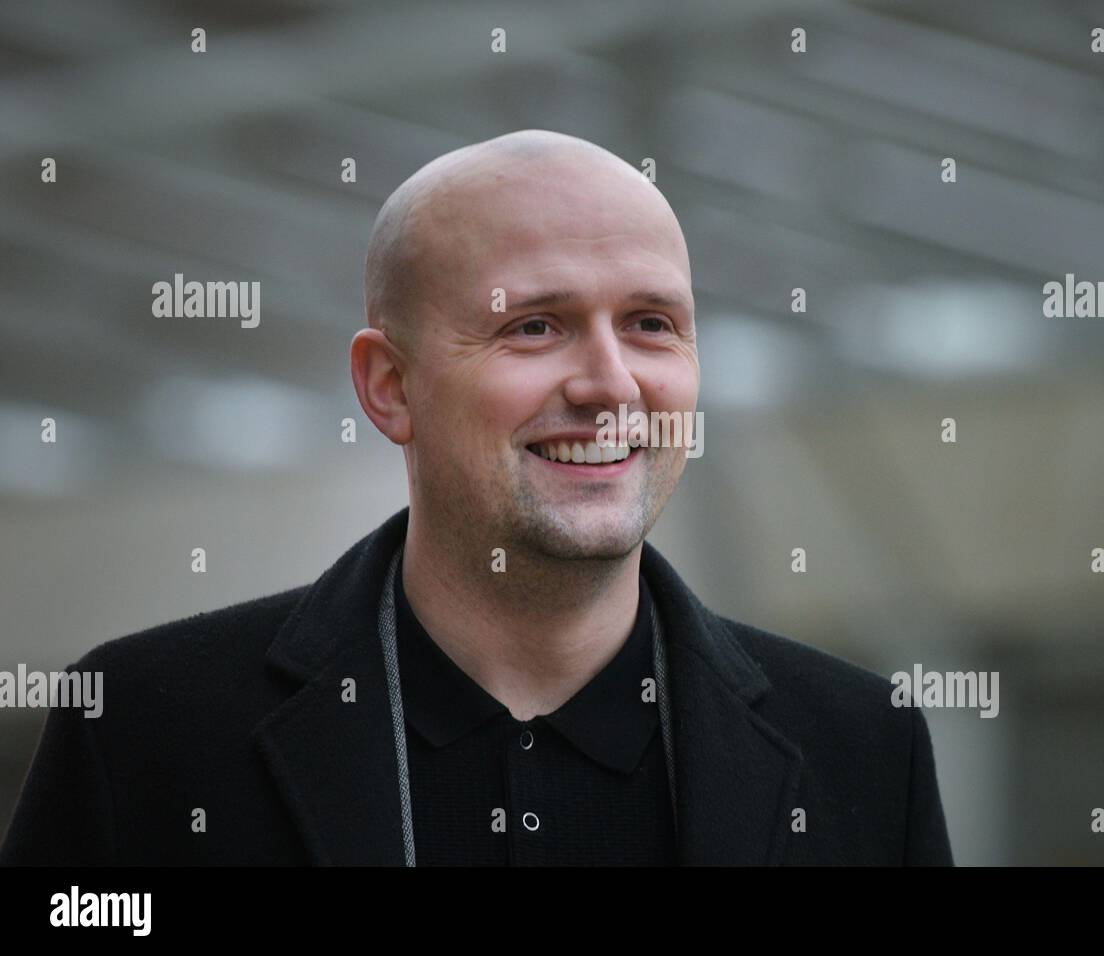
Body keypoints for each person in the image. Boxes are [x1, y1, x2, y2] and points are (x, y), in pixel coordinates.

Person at [0, 130, 952, 865]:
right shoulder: (142, 732)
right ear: (389, 387)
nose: (612, 385)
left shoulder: (864, 750)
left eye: (652, 324)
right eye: (535, 325)